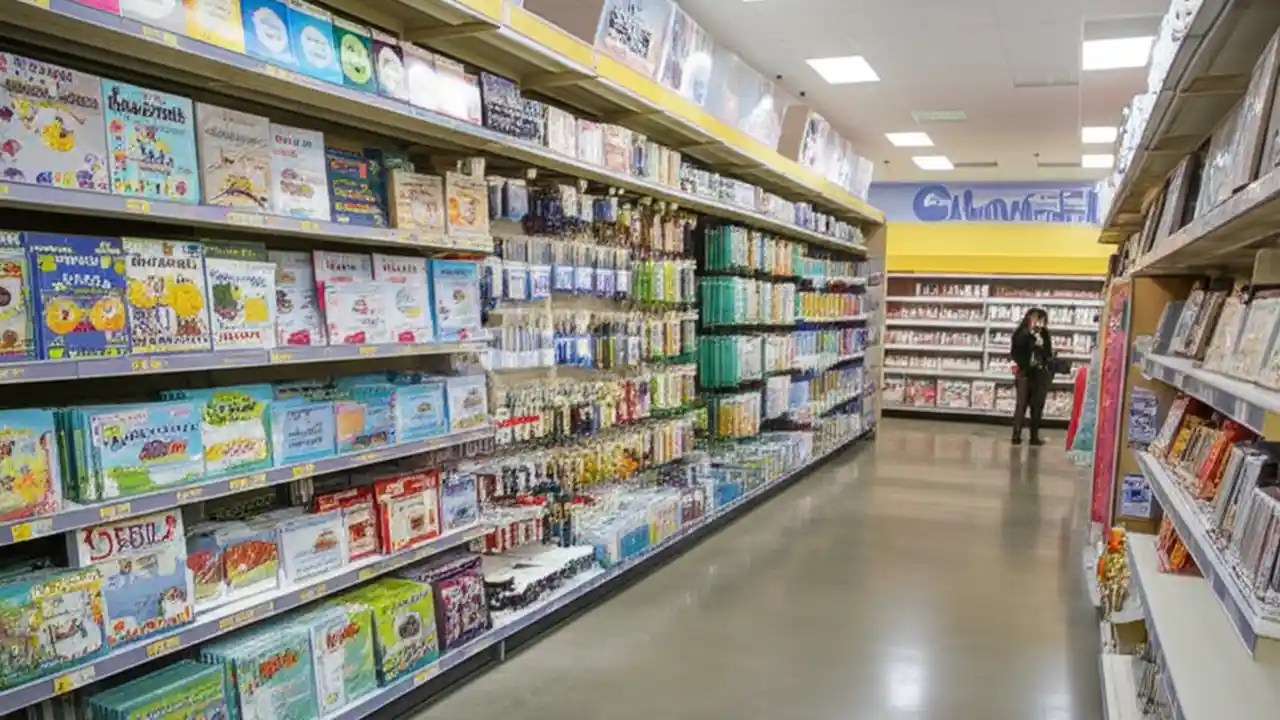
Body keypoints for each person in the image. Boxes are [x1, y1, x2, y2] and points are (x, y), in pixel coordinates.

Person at [1010, 308, 1053, 446]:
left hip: (1039, 373)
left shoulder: (1045, 334)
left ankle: (1034, 436)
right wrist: (1031, 336)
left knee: (1037, 405)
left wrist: (1042, 347)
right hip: (1024, 373)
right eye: (1036, 318)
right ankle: (1016, 435)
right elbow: (1016, 351)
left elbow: (1048, 352)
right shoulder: (1021, 333)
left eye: (1042, 319)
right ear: (1029, 318)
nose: (1039, 322)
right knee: (1021, 405)